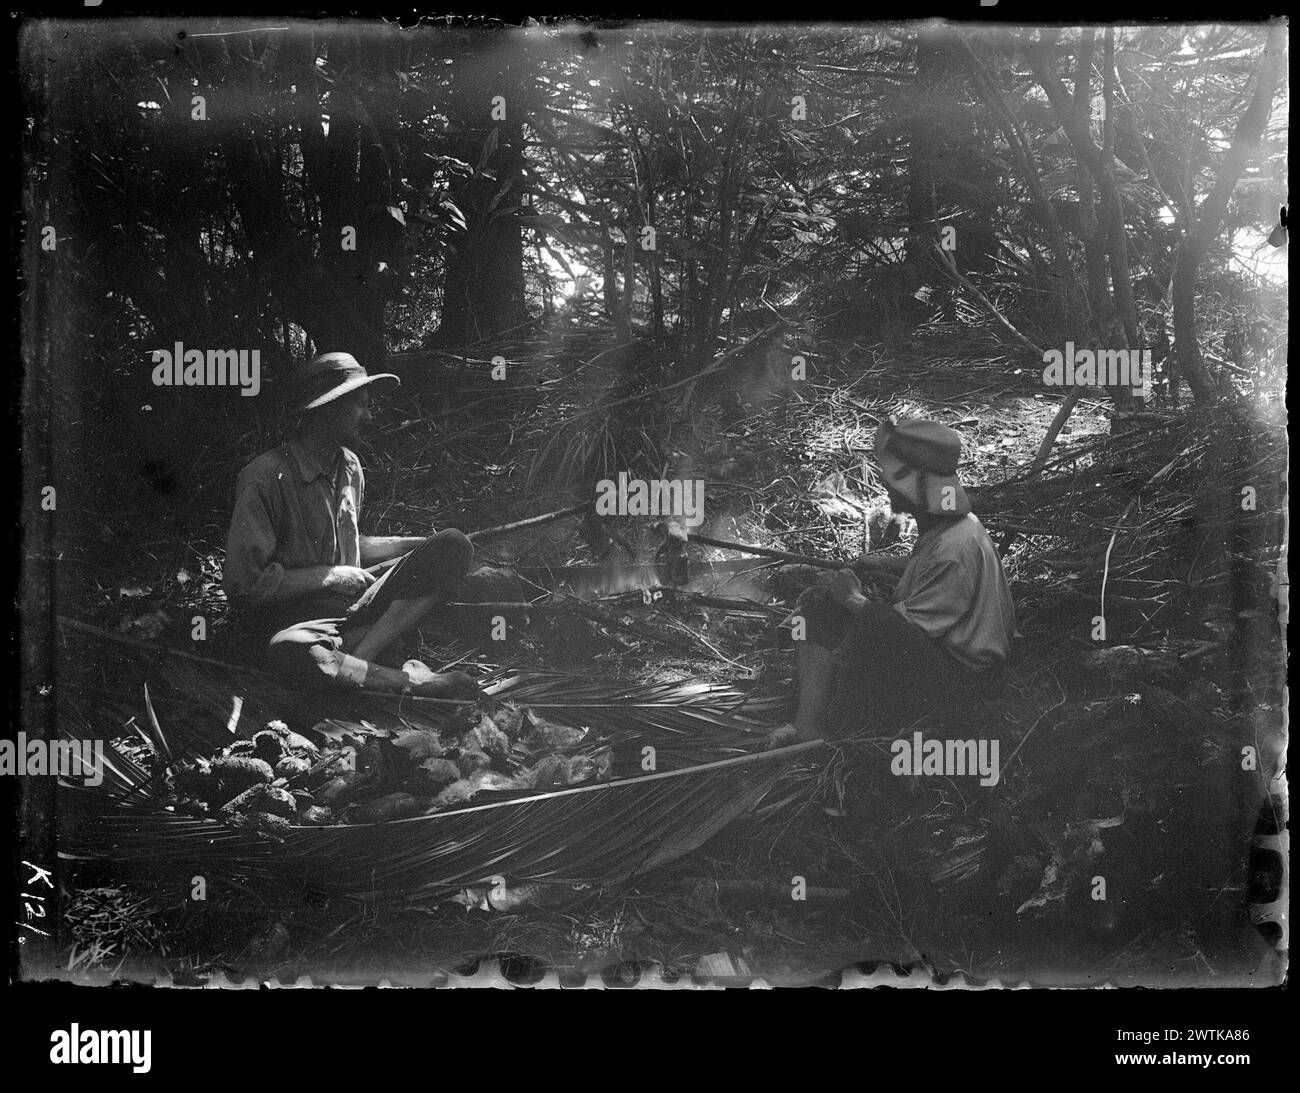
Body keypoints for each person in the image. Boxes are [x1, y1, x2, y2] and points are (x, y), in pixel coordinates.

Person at [223, 352, 479, 698]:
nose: (369, 415)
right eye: (360, 404)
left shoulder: (349, 466)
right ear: (327, 408)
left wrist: (410, 547)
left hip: (354, 609)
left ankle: (358, 660)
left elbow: (346, 546)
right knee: (293, 651)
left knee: (452, 544)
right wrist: (331, 575)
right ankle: (410, 681)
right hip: (301, 622)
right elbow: (244, 584)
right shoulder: (265, 477)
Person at [766, 418, 1015, 746]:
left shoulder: (953, 548)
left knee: (857, 620)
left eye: (893, 474)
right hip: (943, 659)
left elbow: (901, 631)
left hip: (959, 680)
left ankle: (825, 726)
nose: (885, 482)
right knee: (819, 604)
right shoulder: (953, 528)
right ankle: (808, 722)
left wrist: (854, 599)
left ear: (916, 483)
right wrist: (882, 563)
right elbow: (928, 569)